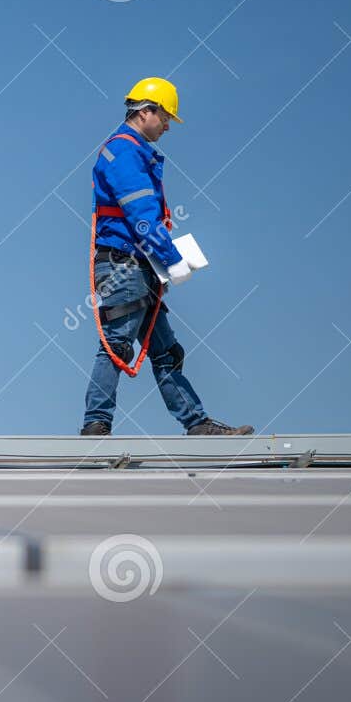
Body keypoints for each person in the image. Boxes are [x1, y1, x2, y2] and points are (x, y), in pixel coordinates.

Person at [81, 77, 252, 437]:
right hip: (124, 267)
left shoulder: (131, 151)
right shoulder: (125, 152)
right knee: (116, 345)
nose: (168, 126)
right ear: (146, 112)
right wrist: (171, 258)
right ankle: (95, 428)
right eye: (166, 117)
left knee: (165, 351)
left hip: (137, 267)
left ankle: (196, 423)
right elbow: (141, 215)